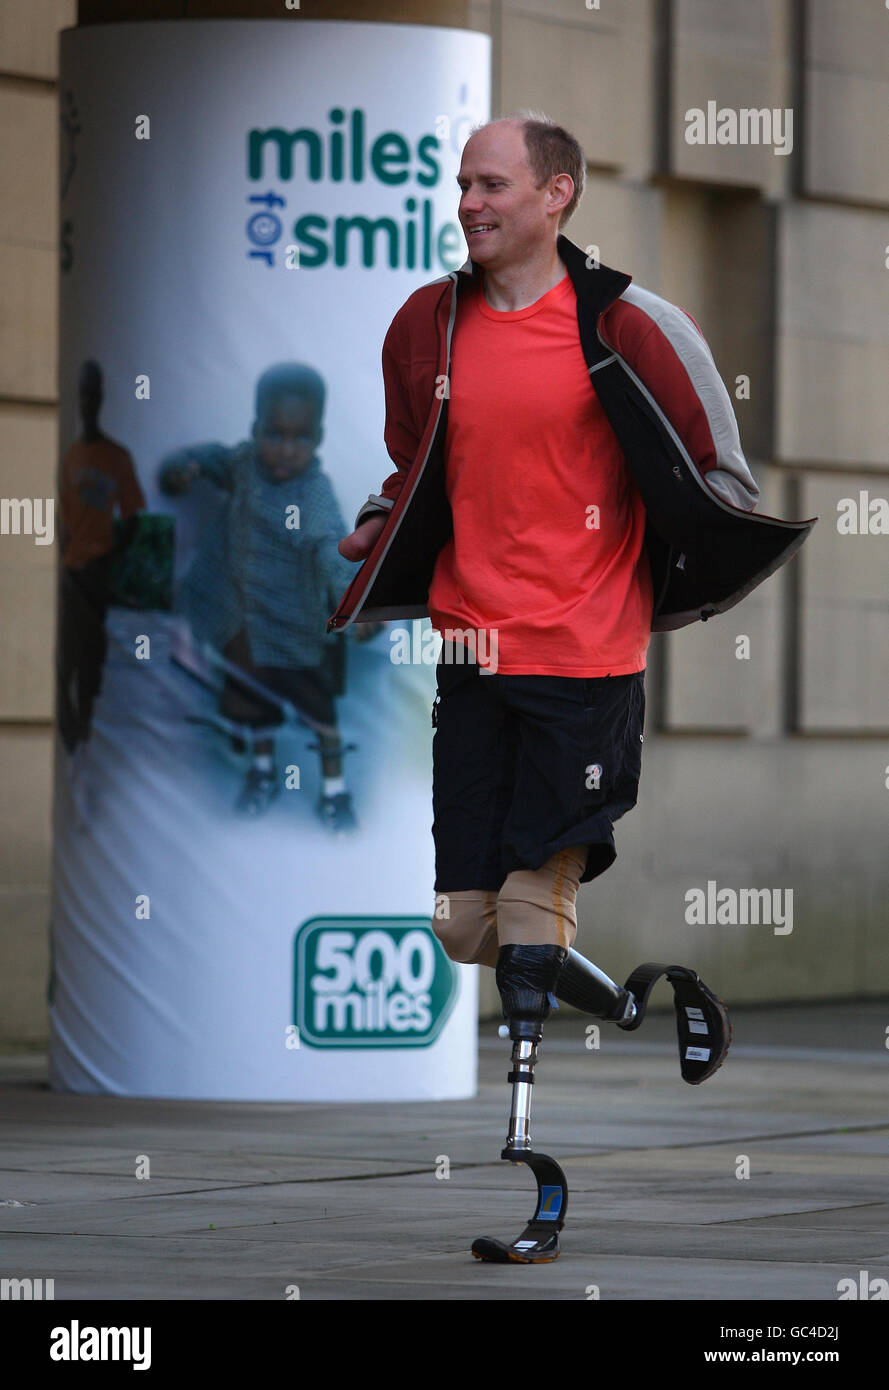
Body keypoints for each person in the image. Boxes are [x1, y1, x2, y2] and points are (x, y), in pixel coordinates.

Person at [330, 112, 814, 1222]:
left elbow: (713, 468)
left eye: (492, 184)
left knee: (533, 900)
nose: (469, 203)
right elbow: (417, 462)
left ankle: (528, 1165)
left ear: (558, 196)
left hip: (585, 657)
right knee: (464, 925)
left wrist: (689, 552)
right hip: (470, 647)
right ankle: (645, 1004)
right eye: (460, 185)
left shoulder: (627, 323)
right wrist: (374, 522)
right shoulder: (426, 325)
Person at [160, 363, 376, 827]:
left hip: (298, 633)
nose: (285, 449)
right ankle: (262, 772)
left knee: (320, 717)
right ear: (256, 429)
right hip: (247, 626)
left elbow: (334, 549)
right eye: (275, 434)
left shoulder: (314, 493)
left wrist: (354, 605)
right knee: (252, 706)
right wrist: (186, 469)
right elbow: (211, 459)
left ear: (317, 439)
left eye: (300, 438)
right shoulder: (243, 465)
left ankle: (335, 793)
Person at [58, 359, 145, 758]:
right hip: (70, 571)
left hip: (98, 573)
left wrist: (112, 559)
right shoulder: (71, 456)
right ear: (78, 400)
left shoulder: (117, 457)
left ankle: (85, 731)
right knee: (68, 655)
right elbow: (58, 517)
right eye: (83, 394)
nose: (88, 402)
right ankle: (70, 727)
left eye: (94, 393)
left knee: (91, 654)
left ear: (102, 398)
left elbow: (133, 516)